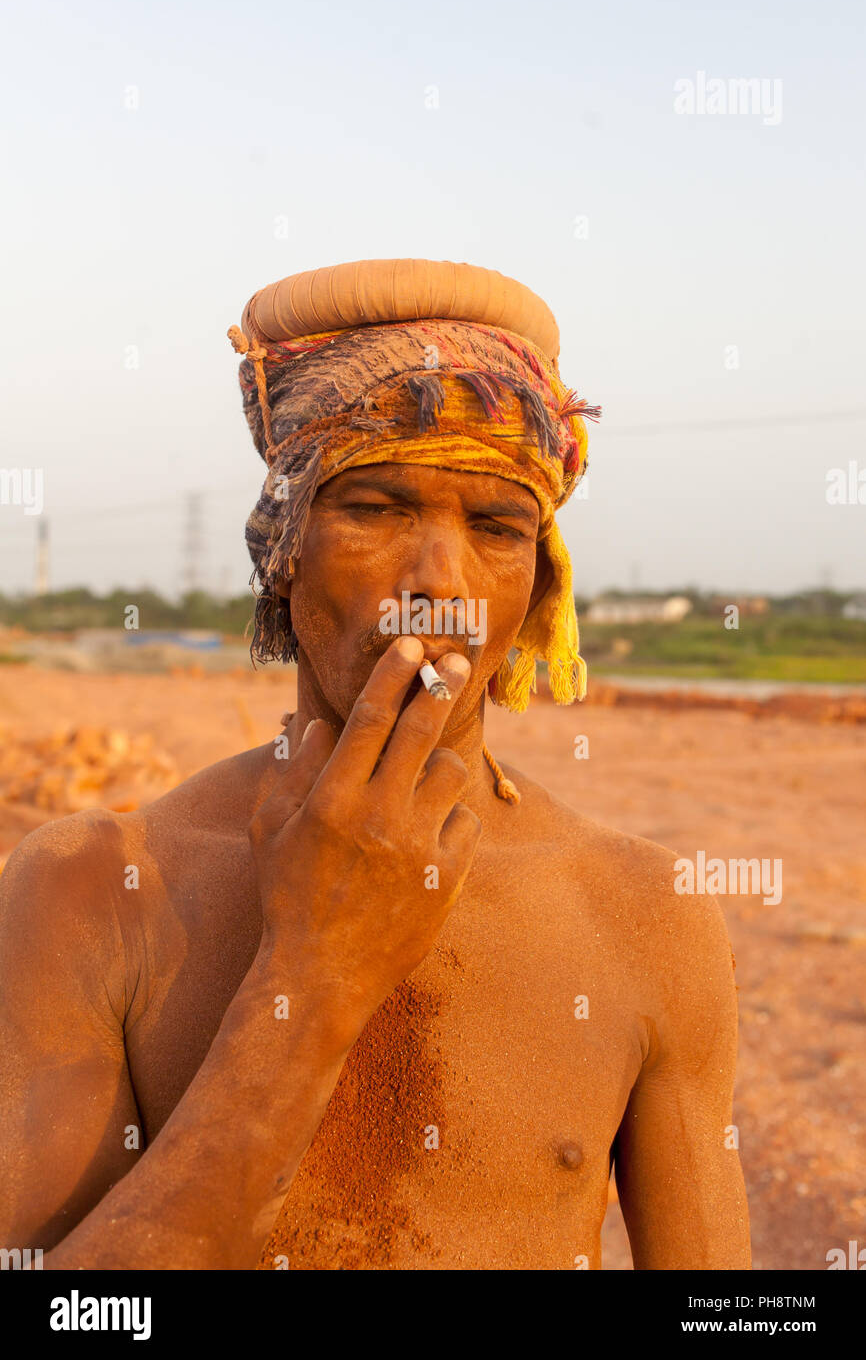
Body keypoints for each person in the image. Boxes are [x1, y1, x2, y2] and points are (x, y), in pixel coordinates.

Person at [0, 259, 750, 1270]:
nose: (439, 579)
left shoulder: (648, 912)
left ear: (536, 588)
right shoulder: (86, 890)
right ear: (283, 547)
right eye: (377, 507)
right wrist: (311, 978)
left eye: (496, 527)